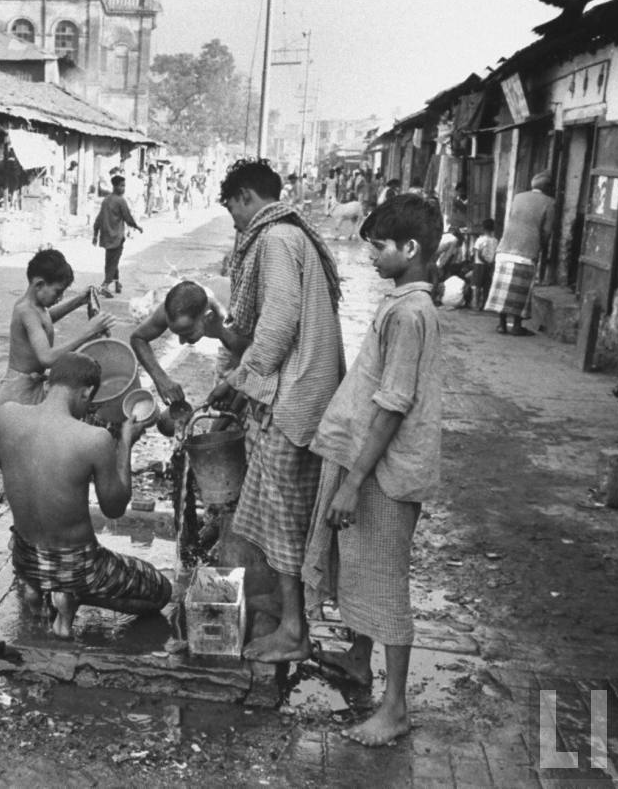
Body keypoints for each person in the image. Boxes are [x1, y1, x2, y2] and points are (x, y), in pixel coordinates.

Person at [302, 192, 443, 747]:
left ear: (410, 249)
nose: (372, 256)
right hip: (376, 462)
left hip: (386, 471)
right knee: (359, 564)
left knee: (385, 583)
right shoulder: (403, 303)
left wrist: (355, 480)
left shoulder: (410, 313)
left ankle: (396, 706)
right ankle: (359, 660)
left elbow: (393, 403)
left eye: (380, 246)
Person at [206, 158, 344, 663]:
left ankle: (294, 630)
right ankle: (289, 617)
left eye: (232, 211)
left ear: (245, 197)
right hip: (300, 394)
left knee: (283, 519)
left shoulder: (275, 240)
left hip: (294, 398)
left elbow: (279, 318)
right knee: (277, 514)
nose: (235, 223)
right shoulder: (291, 235)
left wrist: (241, 380)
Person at [0, 352, 171, 638]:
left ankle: (38, 586)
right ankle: (68, 594)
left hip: (25, 557)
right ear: (87, 393)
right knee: (160, 590)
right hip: (78, 566)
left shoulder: (7, 415)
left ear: (50, 384)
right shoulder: (94, 439)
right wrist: (125, 444)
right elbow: (114, 507)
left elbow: (5, 463)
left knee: (42, 562)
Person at [0, 249, 113, 407]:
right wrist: (89, 331)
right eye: (57, 292)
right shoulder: (26, 310)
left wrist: (78, 301)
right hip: (19, 392)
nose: (59, 298)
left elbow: (46, 320)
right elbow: (47, 358)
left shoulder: (35, 307)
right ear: (39, 284)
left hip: (31, 384)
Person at [130, 280, 247, 406]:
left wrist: (230, 384)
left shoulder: (230, 326)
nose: (181, 342)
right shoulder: (176, 309)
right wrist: (160, 379)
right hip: (236, 344)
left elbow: (256, 362)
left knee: (236, 402)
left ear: (208, 317)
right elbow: (138, 338)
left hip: (249, 347)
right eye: (178, 334)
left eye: (187, 333)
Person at [484, 171, 554, 336]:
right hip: (526, 251)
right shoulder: (550, 203)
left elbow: (512, 218)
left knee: (502, 290)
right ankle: (516, 325)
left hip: (505, 247)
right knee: (520, 291)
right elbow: (546, 231)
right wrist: (540, 248)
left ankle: (501, 324)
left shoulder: (518, 197)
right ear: (548, 187)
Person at [92, 174, 141, 298]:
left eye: (124, 186)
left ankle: (117, 283)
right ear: (115, 186)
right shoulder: (120, 200)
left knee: (112, 260)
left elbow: (99, 218)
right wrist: (137, 227)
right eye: (121, 186)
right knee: (112, 262)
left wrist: (95, 234)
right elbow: (128, 217)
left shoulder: (106, 200)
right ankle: (105, 285)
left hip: (106, 236)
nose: (123, 188)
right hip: (116, 236)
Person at [472, 219, 499, 312]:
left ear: (483, 228)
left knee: (477, 285)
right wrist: (491, 263)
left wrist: (484, 261)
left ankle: (476, 305)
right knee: (487, 285)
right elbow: (496, 254)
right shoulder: (495, 241)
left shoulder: (480, 240)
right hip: (490, 265)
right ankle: (484, 304)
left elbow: (478, 254)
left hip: (480, 264)